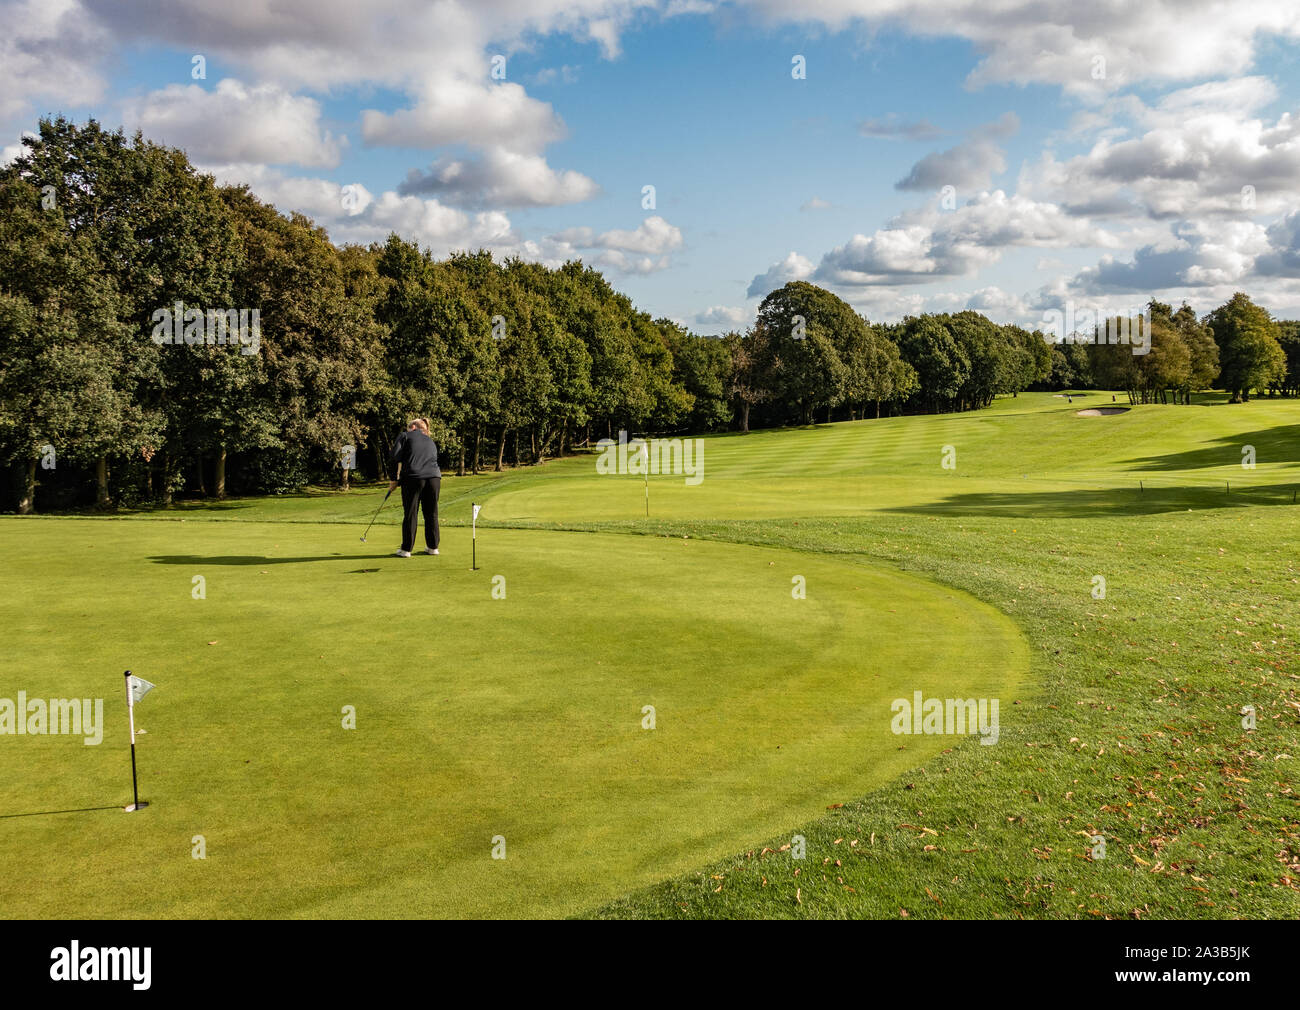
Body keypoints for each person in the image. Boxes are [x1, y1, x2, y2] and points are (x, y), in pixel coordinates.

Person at [389, 418, 441, 557]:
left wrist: (394, 479)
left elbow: (395, 457)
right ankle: (433, 547)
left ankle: (406, 550)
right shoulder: (430, 440)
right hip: (434, 478)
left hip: (413, 478)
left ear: (412, 427)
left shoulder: (405, 435)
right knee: (431, 513)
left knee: (411, 513)